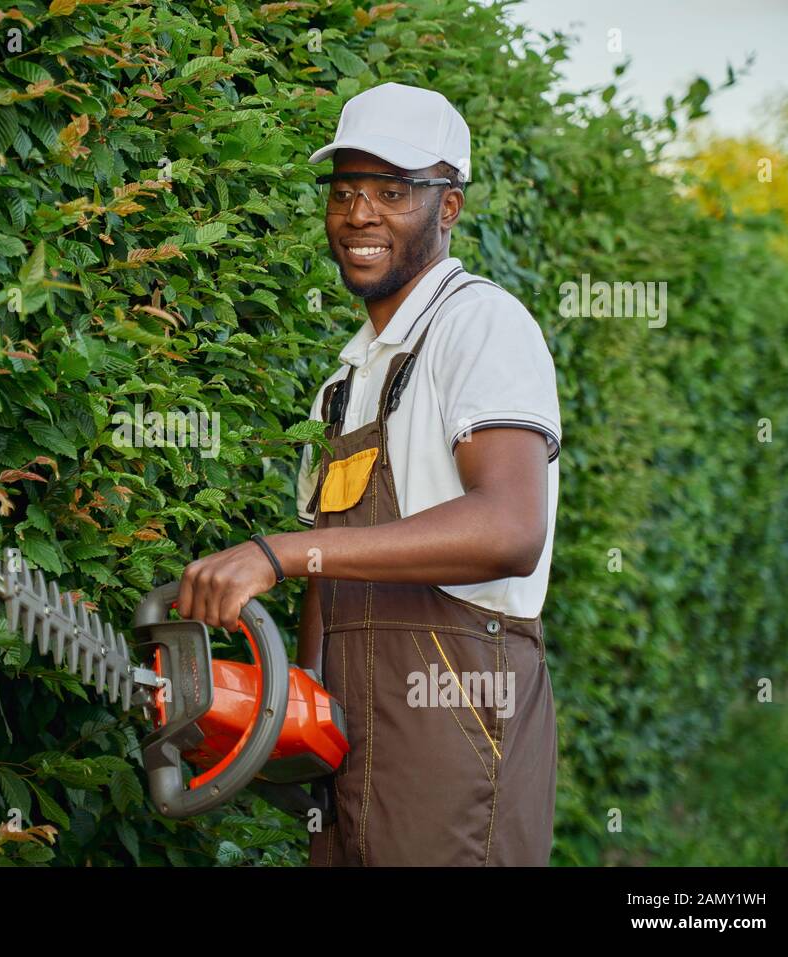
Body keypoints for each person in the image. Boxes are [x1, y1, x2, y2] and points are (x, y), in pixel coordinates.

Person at [177, 82, 561, 866]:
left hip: (454, 720)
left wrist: (278, 552)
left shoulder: (479, 325)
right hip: (353, 734)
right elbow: (336, 563)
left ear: (448, 207)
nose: (360, 214)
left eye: (393, 191)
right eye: (345, 190)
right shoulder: (347, 380)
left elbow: (511, 529)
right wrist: (298, 704)